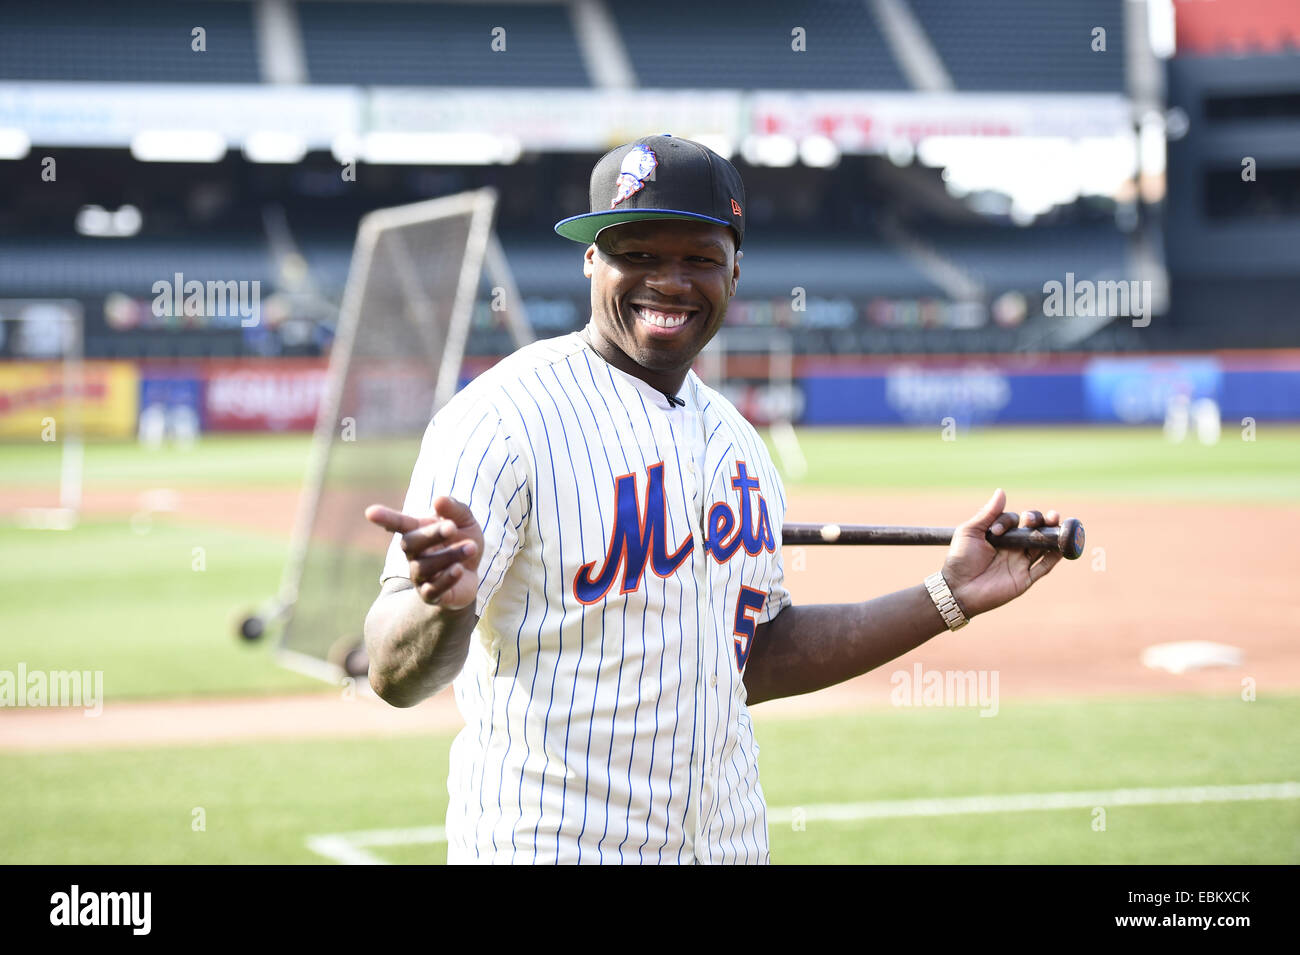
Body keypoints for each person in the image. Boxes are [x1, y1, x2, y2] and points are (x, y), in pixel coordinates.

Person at [362, 134, 1063, 864]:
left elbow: (754, 655)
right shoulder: (501, 420)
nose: (669, 281)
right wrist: (442, 604)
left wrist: (948, 593)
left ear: (734, 271)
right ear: (591, 261)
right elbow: (391, 669)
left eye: (698, 257)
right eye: (637, 254)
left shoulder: (738, 444)